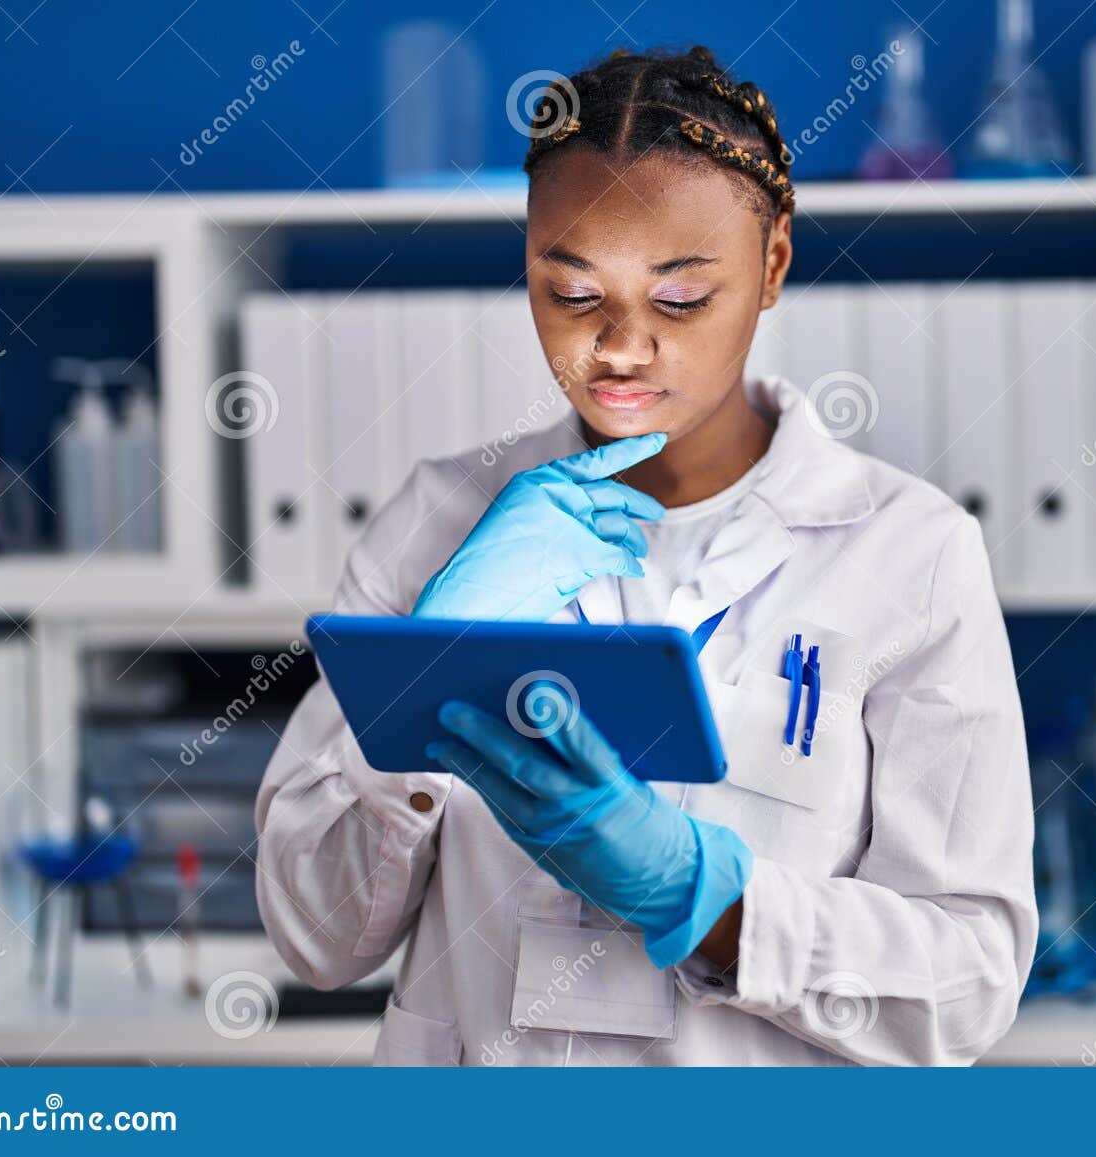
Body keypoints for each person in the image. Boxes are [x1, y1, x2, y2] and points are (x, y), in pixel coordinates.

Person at [254, 44, 1037, 1066]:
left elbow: (970, 981)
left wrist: (700, 896)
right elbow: (314, 936)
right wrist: (432, 652)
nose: (619, 348)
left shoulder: (909, 551)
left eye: (678, 300)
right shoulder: (437, 519)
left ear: (772, 266)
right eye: (572, 294)